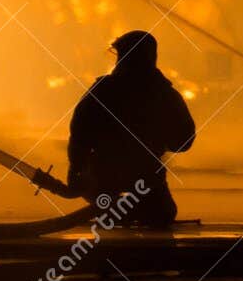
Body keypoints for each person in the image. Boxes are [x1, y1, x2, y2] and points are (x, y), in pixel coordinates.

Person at [66, 31, 196, 227]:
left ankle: (115, 210)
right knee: (162, 215)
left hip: (105, 173)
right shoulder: (165, 94)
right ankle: (131, 210)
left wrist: (76, 170)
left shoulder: (103, 90)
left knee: (114, 208)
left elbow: (79, 133)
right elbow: (184, 141)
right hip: (145, 175)